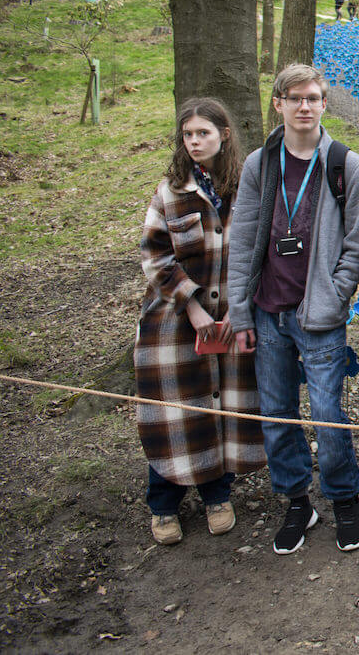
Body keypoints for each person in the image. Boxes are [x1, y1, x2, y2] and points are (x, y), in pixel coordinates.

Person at [227, 63, 359, 555]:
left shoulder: (346, 165)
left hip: (319, 316)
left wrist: (336, 293)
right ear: (279, 104)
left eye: (313, 98)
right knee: (277, 415)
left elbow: (357, 245)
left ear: (324, 104)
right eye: (295, 99)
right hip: (268, 311)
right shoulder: (258, 165)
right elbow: (244, 240)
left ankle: (344, 497)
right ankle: (296, 501)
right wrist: (241, 314)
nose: (304, 106)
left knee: (329, 415)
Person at [135, 98, 267, 546]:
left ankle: (217, 495)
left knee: (222, 409)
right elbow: (155, 256)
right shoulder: (170, 192)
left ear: (223, 134)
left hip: (232, 319)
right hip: (175, 323)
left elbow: (254, 250)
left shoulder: (243, 189)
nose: (194, 142)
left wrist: (238, 306)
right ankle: (164, 505)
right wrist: (192, 305)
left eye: (203, 134)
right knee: (176, 412)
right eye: (188, 135)